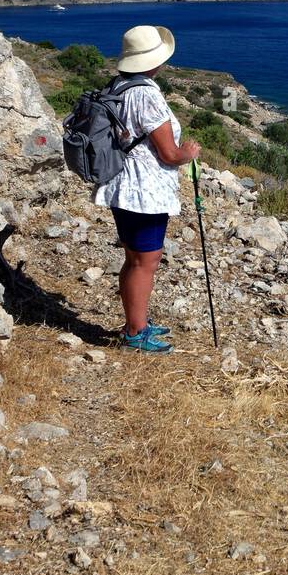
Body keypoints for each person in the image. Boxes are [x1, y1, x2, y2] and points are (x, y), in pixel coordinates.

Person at [93, 25, 201, 353]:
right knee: (146, 261)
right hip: (143, 191)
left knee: (134, 258)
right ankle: (135, 334)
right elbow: (169, 154)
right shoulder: (146, 93)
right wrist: (190, 153)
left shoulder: (120, 85)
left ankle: (135, 323)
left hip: (120, 184)